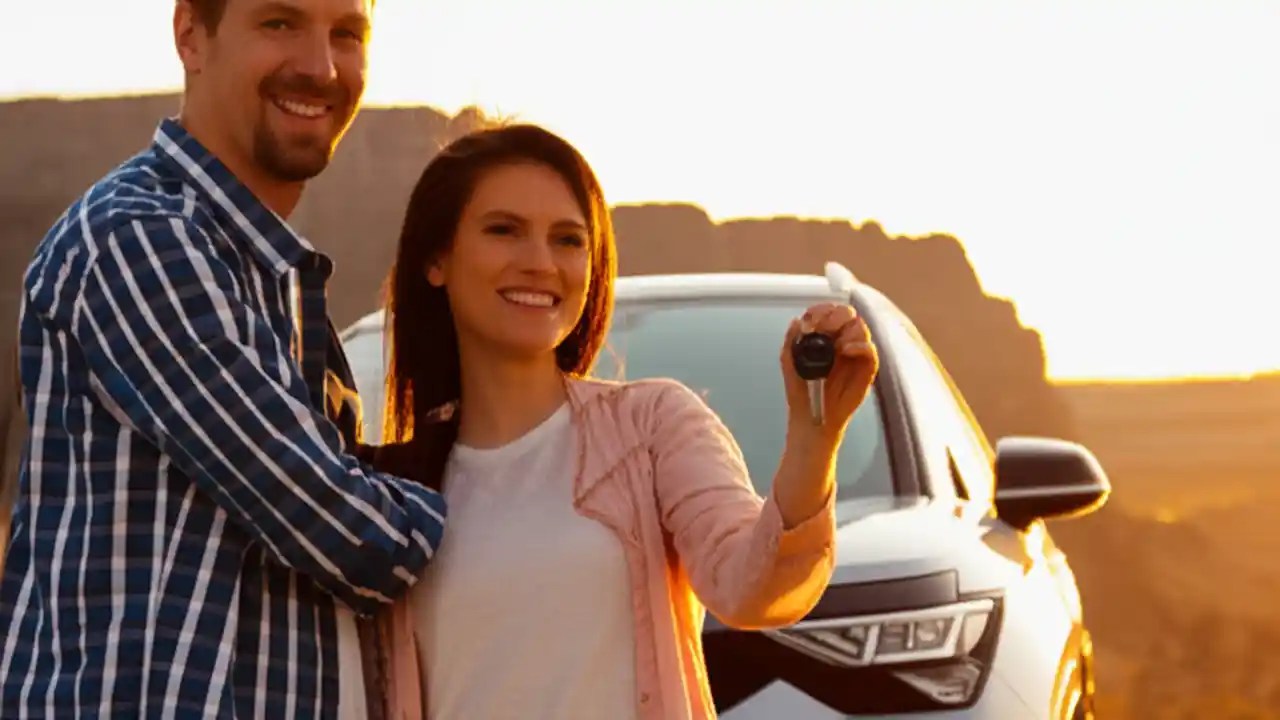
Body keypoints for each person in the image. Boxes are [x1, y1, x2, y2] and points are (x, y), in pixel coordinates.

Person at [0, 1, 447, 717]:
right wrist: (522, 504)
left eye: (346, 34)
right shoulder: (139, 238)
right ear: (190, 35)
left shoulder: (275, 281)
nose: (321, 66)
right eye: (279, 23)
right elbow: (338, 528)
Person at [367, 123, 881, 719]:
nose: (540, 263)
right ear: (436, 258)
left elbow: (755, 588)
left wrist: (815, 439)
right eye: (504, 230)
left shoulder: (653, 428)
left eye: (568, 240)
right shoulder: (390, 489)